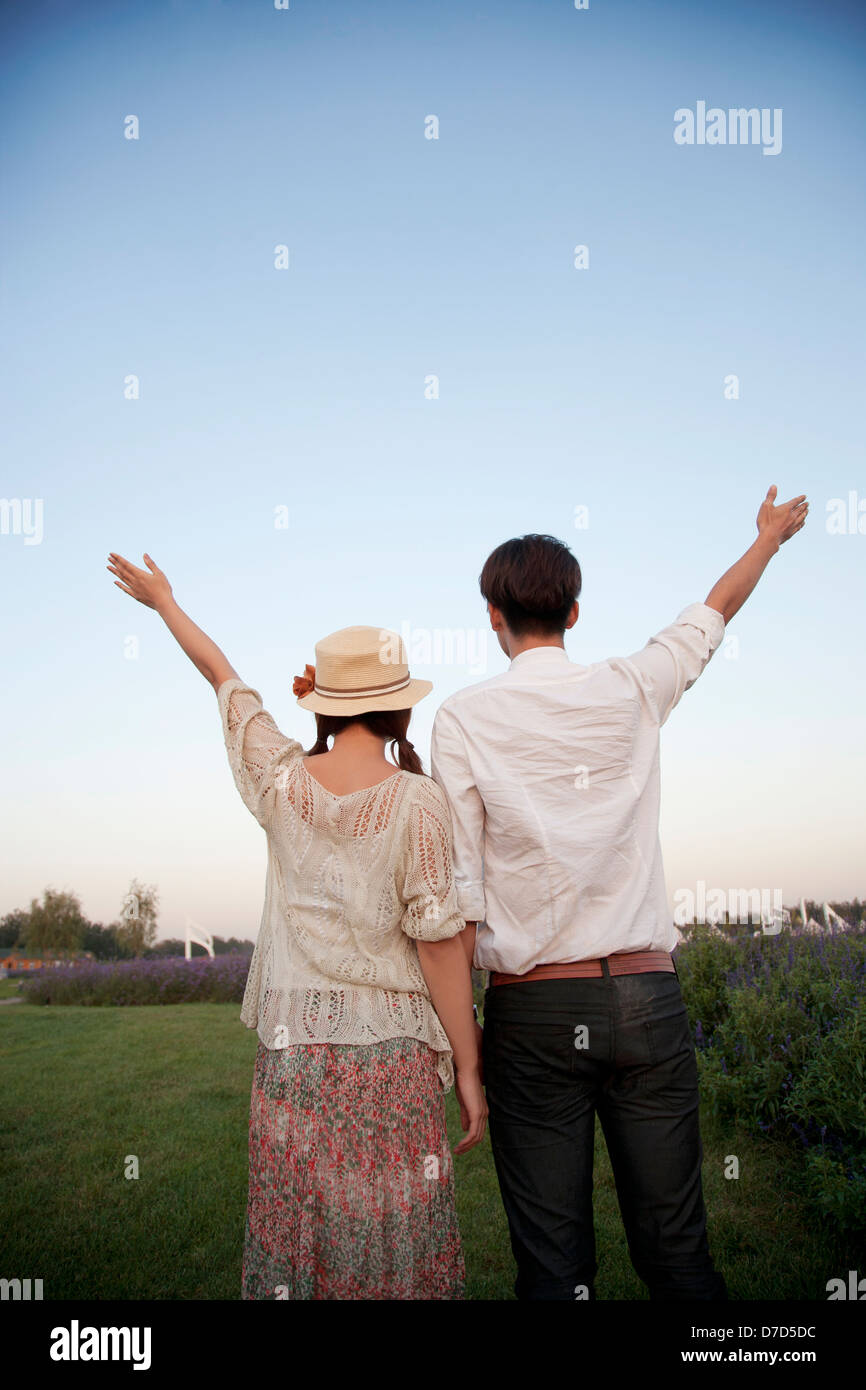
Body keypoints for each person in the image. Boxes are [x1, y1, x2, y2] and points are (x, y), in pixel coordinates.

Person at [430, 485, 808, 1301]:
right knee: (678, 1257)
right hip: (646, 998)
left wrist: (467, 1058)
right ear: (573, 613)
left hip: (532, 1011)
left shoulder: (462, 720)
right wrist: (769, 538)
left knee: (556, 1270)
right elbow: (712, 613)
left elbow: (460, 899)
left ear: (492, 616)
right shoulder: (634, 686)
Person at [105, 552, 487, 1300]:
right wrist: (469, 1068)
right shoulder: (420, 801)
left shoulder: (279, 782)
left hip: (291, 1063)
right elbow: (441, 946)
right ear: (400, 707)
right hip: (393, 1067)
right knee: (392, 1245)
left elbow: (227, 681)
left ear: (321, 703)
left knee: (300, 1241)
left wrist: (165, 603)